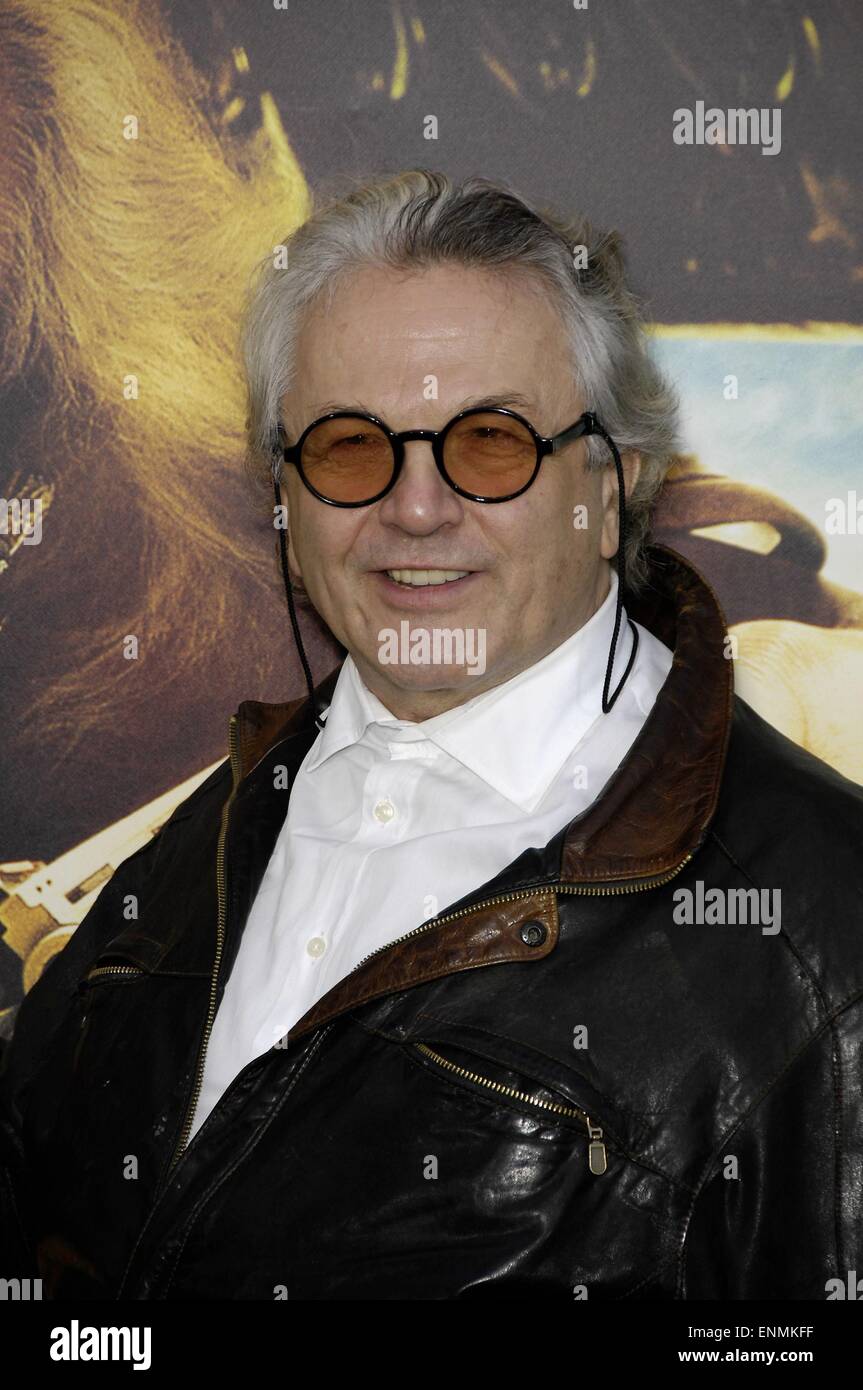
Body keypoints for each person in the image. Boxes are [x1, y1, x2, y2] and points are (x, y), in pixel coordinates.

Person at [2, 170, 861, 1300]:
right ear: (284, 497)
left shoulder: (823, 940)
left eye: (491, 442)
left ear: (608, 489)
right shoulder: (194, 841)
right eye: (353, 448)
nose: (415, 508)